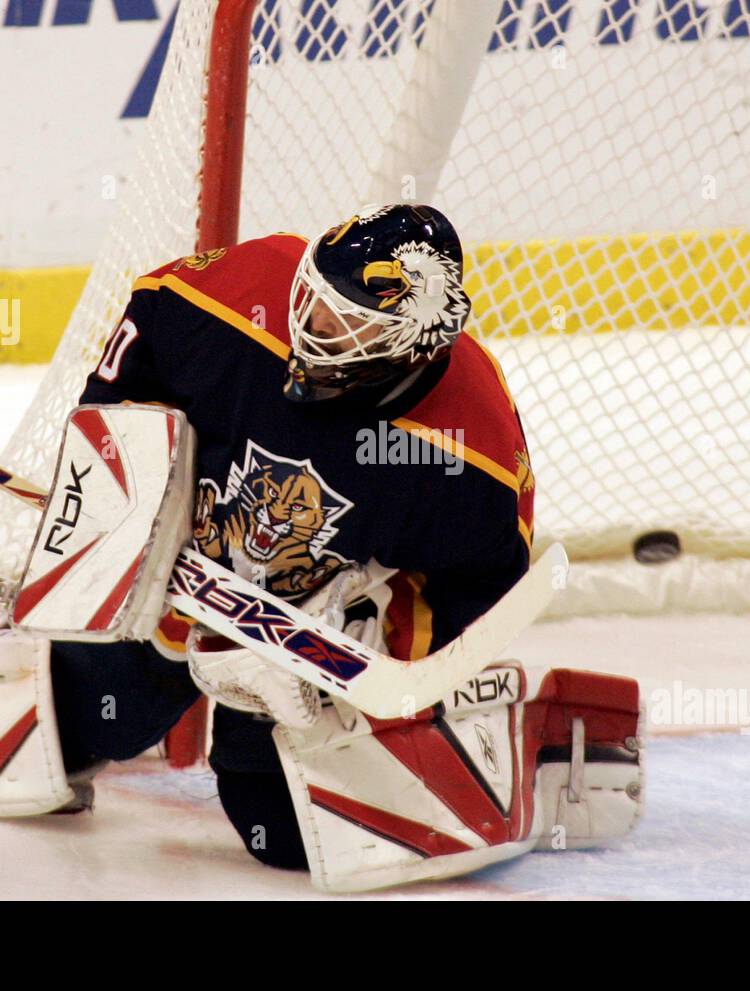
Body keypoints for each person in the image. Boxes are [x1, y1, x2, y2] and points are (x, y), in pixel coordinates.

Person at [49, 203, 536, 868]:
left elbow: (478, 591)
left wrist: (368, 658)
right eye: (314, 300)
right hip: (186, 563)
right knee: (99, 721)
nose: (311, 326)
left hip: (307, 635)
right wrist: (129, 494)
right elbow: (146, 327)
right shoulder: (241, 295)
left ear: (412, 341)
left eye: (347, 323)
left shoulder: (466, 450)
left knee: (279, 834)